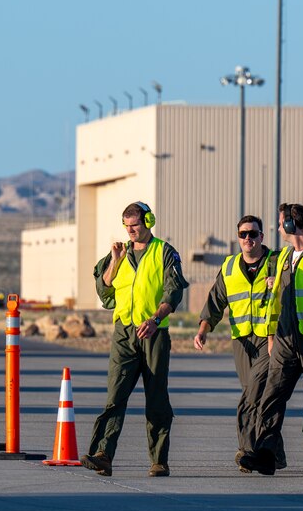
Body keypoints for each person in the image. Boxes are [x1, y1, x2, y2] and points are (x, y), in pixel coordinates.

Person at [81, 202, 188, 477]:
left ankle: (159, 460)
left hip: (153, 333)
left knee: (156, 399)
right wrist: (116, 259)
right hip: (124, 334)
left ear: (149, 221)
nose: (130, 231)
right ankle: (103, 454)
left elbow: (173, 291)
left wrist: (155, 320)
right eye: (127, 226)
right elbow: (104, 290)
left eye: (135, 225)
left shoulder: (163, 252)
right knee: (114, 396)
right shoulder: (118, 254)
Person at [243, 203, 303, 475]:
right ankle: (265, 454)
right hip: (284, 338)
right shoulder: (283, 258)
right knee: (271, 397)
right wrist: (271, 335)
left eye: (281, 223)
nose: (278, 228)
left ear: (292, 224)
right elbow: (275, 302)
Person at [193, 215, 280, 472]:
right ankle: (273, 455)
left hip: (269, 338)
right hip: (241, 341)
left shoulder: (276, 263)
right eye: (243, 234)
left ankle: (247, 450)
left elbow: (297, 289)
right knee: (259, 396)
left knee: (251, 396)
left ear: (262, 236)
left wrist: (280, 285)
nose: (248, 239)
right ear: (238, 238)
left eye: (253, 234)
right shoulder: (230, 267)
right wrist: (203, 330)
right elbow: (215, 302)